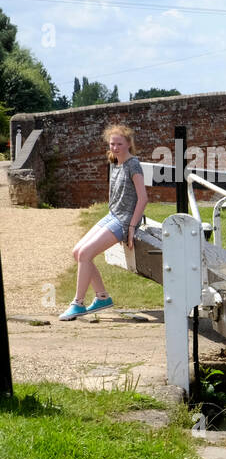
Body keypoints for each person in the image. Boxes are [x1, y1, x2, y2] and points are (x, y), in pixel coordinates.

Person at [60, 125, 147, 320]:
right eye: (112, 144)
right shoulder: (114, 162)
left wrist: (132, 227)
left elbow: (143, 198)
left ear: (128, 144)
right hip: (112, 214)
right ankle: (102, 297)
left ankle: (78, 303)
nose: (115, 148)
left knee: (85, 253)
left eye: (119, 144)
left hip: (125, 220)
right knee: (77, 252)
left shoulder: (133, 164)